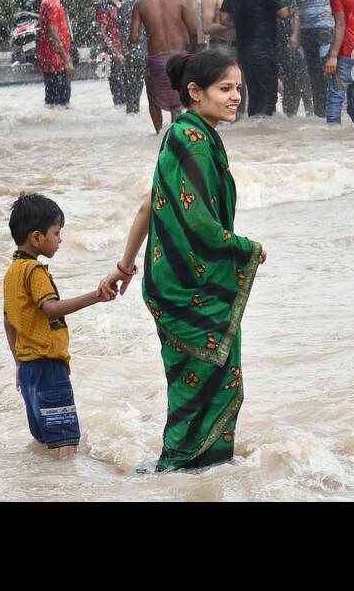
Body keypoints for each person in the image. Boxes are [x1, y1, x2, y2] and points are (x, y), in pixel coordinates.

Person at [105, 50, 267, 471]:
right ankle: (177, 471)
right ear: (195, 92)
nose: (236, 97)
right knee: (210, 384)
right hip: (186, 289)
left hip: (170, 283)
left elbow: (149, 204)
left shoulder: (186, 134)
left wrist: (125, 267)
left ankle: (193, 478)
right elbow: (198, 224)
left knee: (197, 386)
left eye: (237, 88)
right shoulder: (192, 142)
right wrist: (246, 247)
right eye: (225, 89)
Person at [3, 195, 115, 459]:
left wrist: (18, 362)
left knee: (45, 442)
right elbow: (51, 308)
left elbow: (8, 322)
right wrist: (95, 297)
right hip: (49, 369)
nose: (60, 239)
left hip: (29, 370)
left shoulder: (11, 273)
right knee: (65, 443)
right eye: (57, 232)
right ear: (37, 238)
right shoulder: (34, 271)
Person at [220, 0, 289, 118]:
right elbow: (283, 13)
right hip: (264, 50)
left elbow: (224, 20)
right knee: (268, 97)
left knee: (254, 93)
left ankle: (253, 131)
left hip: (243, 51)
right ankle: (264, 133)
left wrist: (242, 19)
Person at [132, 0, 200, 130]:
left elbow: (133, 38)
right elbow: (193, 31)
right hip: (180, 57)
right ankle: (177, 137)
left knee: (153, 99)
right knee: (178, 102)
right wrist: (192, 53)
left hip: (157, 60)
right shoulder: (179, 0)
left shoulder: (140, 5)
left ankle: (158, 135)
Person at [287, 0, 335, 118]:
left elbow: (294, 2)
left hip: (307, 30)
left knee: (314, 75)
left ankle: (320, 113)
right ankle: (333, 116)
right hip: (329, 28)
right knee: (331, 72)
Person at [37, 0, 74, 108]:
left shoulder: (47, 1)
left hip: (49, 59)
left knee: (52, 104)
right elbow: (53, 34)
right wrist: (67, 60)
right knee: (62, 104)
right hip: (56, 62)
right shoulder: (53, 5)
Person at [95, 0, 127, 108]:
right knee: (119, 93)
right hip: (112, 55)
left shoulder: (123, 0)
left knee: (131, 92)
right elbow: (102, 33)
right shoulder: (102, 4)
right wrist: (115, 53)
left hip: (126, 52)